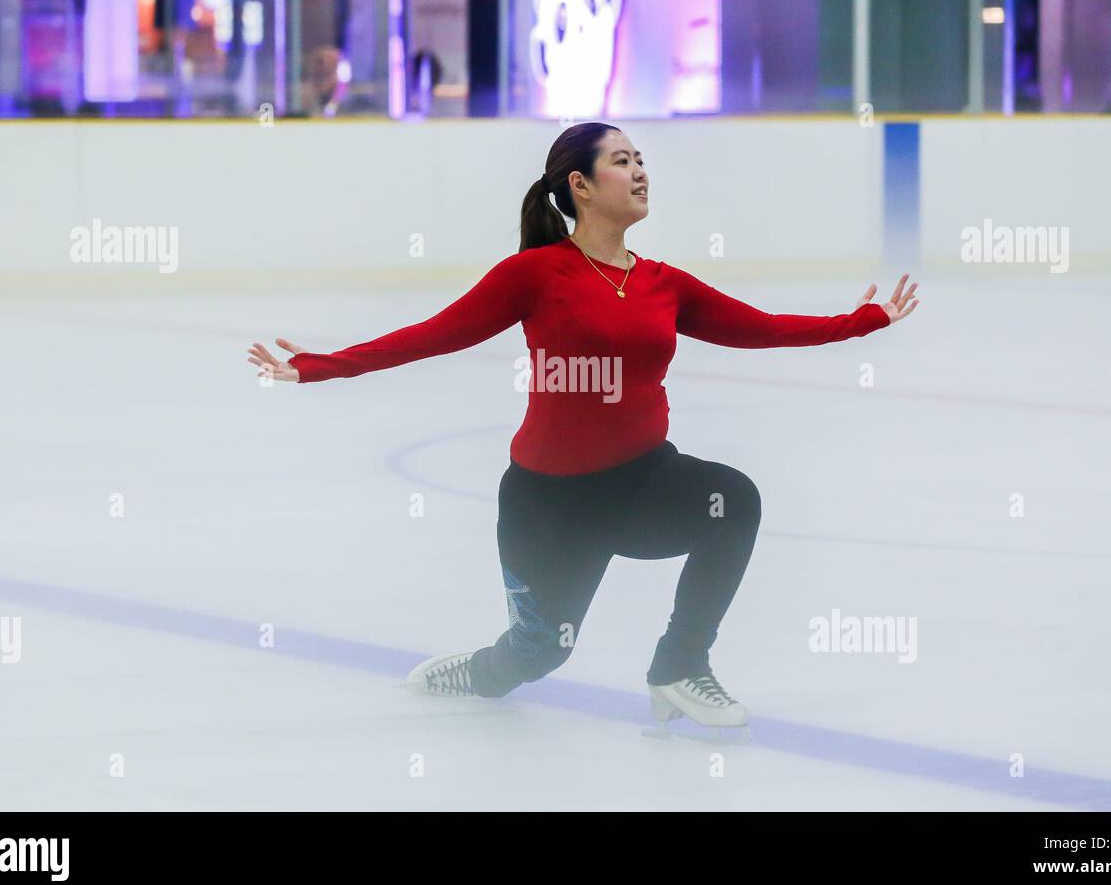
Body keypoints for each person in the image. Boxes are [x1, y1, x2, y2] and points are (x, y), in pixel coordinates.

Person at [246, 122, 919, 729]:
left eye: (641, 160)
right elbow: (434, 335)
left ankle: (679, 667)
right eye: (623, 161)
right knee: (538, 656)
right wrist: (315, 366)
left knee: (733, 500)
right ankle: (482, 671)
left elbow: (761, 329)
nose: (640, 172)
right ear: (581, 186)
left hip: (643, 484)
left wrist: (864, 321)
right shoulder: (536, 274)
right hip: (550, 502)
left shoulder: (663, 283)